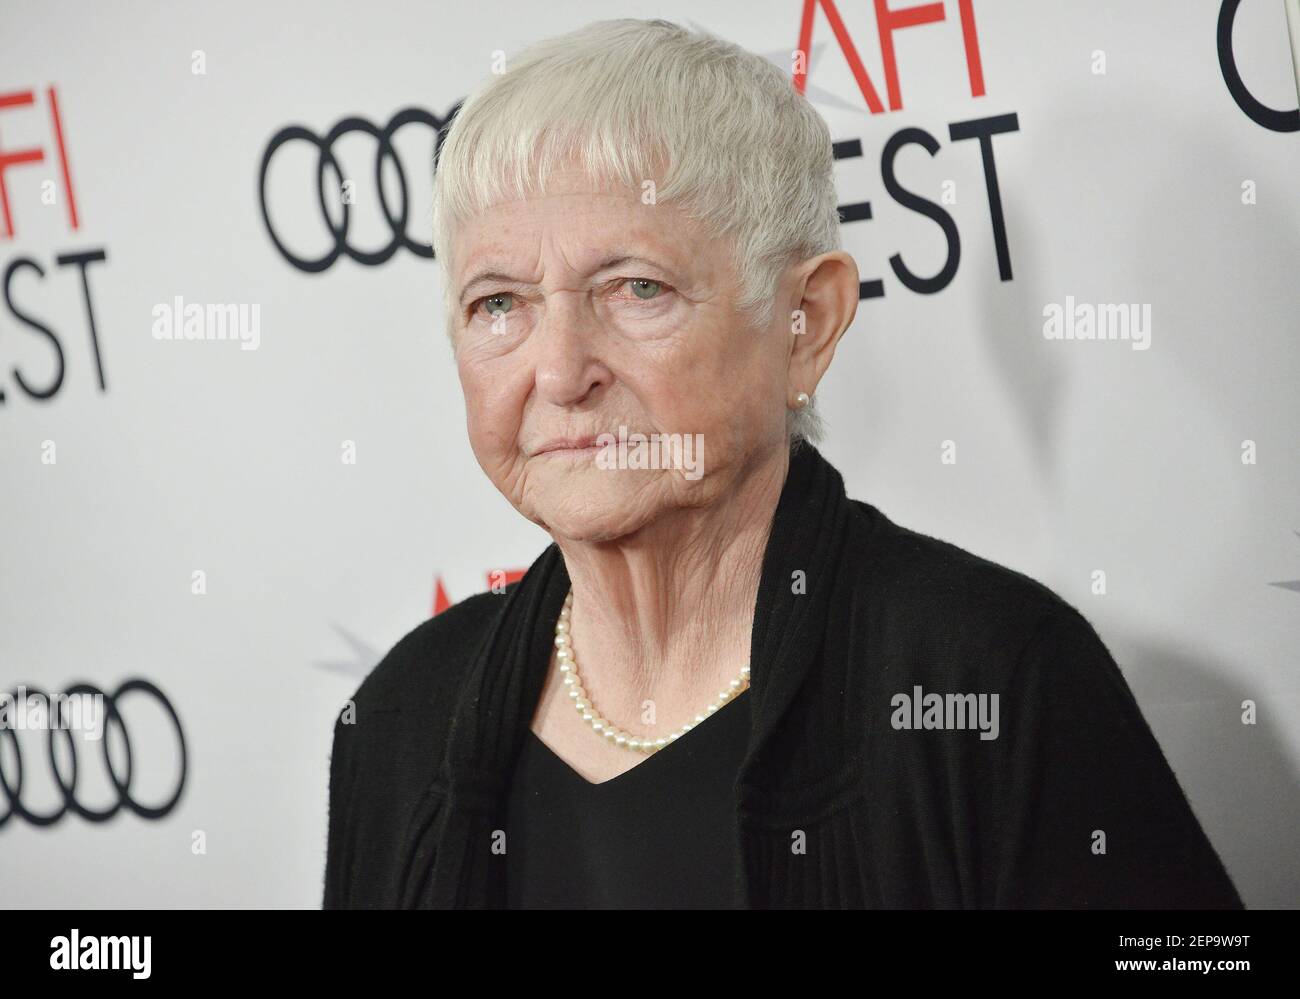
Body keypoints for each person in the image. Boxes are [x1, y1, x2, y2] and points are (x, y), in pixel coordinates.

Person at [322, 18, 1242, 909]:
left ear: (807, 324)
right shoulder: (405, 715)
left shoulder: (992, 680)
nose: (561, 372)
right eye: (498, 304)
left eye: (637, 287)